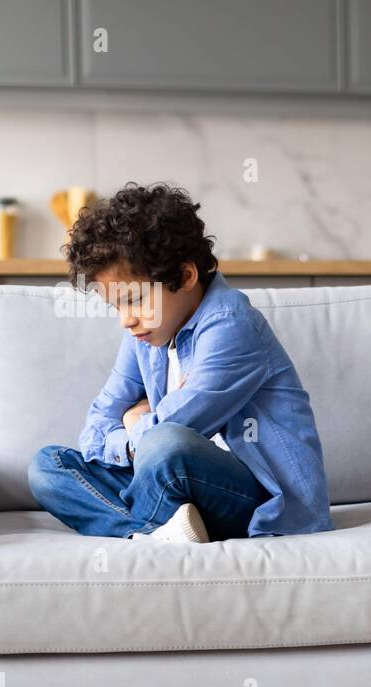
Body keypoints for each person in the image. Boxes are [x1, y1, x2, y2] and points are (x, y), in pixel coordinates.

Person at [28, 182, 334, 543]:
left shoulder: (232, 323)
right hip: (168, 484)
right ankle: (155, 533)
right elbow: (97, 424)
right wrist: (132, 435)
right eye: (116, 306)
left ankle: (142, 527)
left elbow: (170, 431)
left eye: (135, 299)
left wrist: (133, 427)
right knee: (48, 467)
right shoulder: (144, 333)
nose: (126, 319)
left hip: (251, 501)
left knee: (166, 446)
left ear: (186, 277)